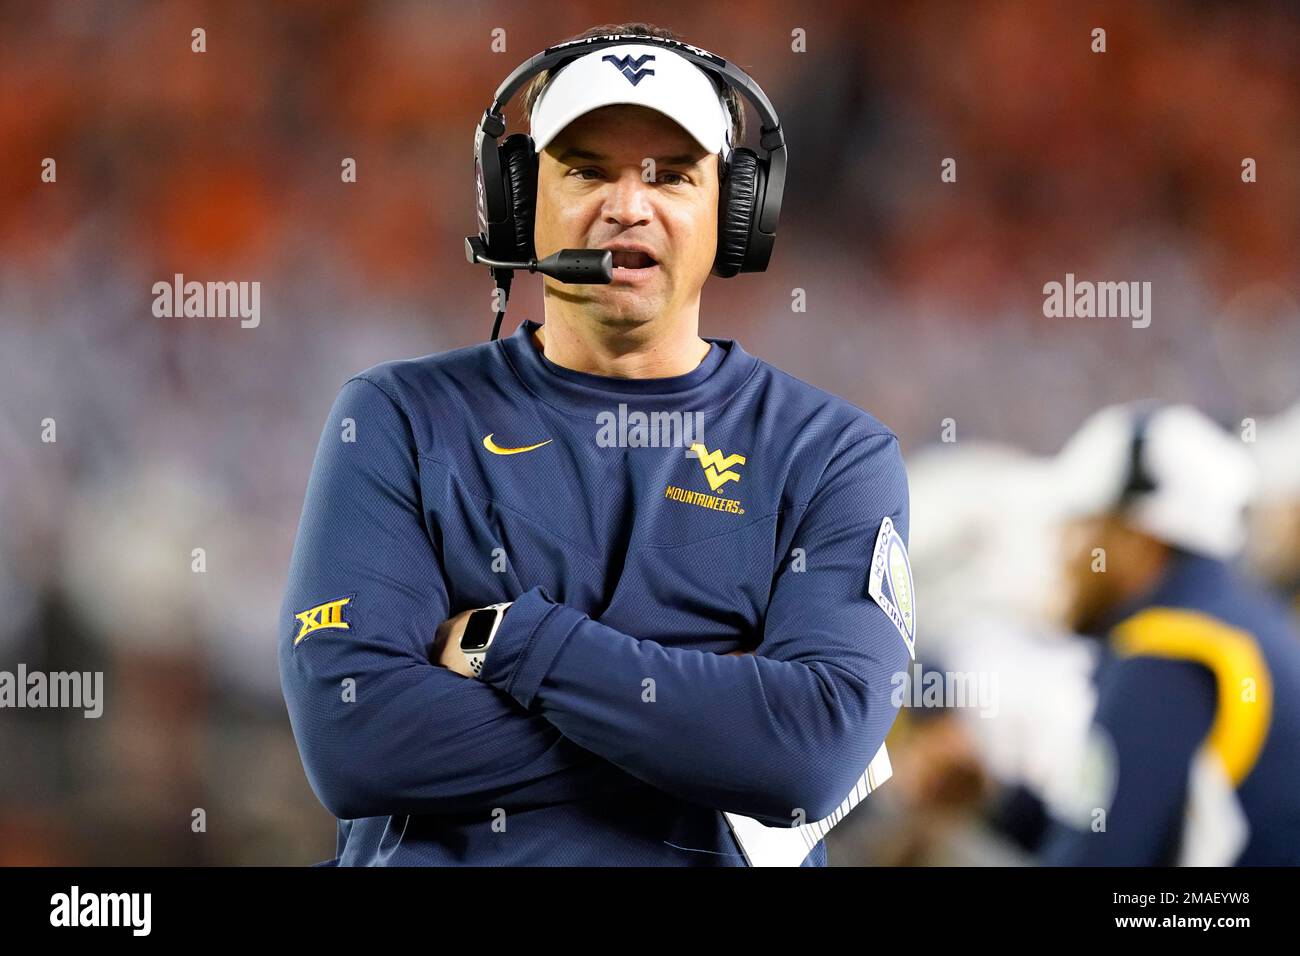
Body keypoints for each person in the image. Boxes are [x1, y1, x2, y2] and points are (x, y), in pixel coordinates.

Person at [277, 23, 915, 866]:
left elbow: (809, 753)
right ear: (516, 201)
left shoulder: (834, 455)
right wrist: (712, 733)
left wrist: (516, 645)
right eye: (584, 169)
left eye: (673, 176)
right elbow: (352, 737)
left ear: (734, 211)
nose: (627, 204)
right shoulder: (399, 417)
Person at [1041, 402, 1300, 865]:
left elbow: (1096, 858)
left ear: (1139, 538)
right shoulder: (1254, 626)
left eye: (1084, 528)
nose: (1066, 558)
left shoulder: (1170, 650)